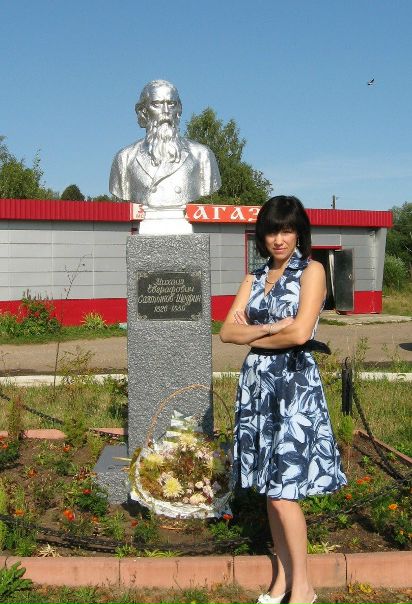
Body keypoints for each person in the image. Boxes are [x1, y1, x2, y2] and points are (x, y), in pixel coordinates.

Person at [220, 196, 347, 604]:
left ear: (299, 233)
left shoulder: (311, 271)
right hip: (258, 387)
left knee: (283, 491)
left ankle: (304, 588)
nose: (279, 239)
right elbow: (226, 332)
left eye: (287, 230)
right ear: (262, 235)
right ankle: (283, 580)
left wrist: (254, 332)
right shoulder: (253, 278)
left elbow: (301, 333)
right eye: (273, 230)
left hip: (293, 387)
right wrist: (273, 328)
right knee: (269, 489)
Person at [109, 79, 221, 209]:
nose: (166, 111)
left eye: (171, 104)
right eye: (157, 104)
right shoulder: (125, 158)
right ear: (143, 110)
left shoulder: (202, 156)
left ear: (179, 109)